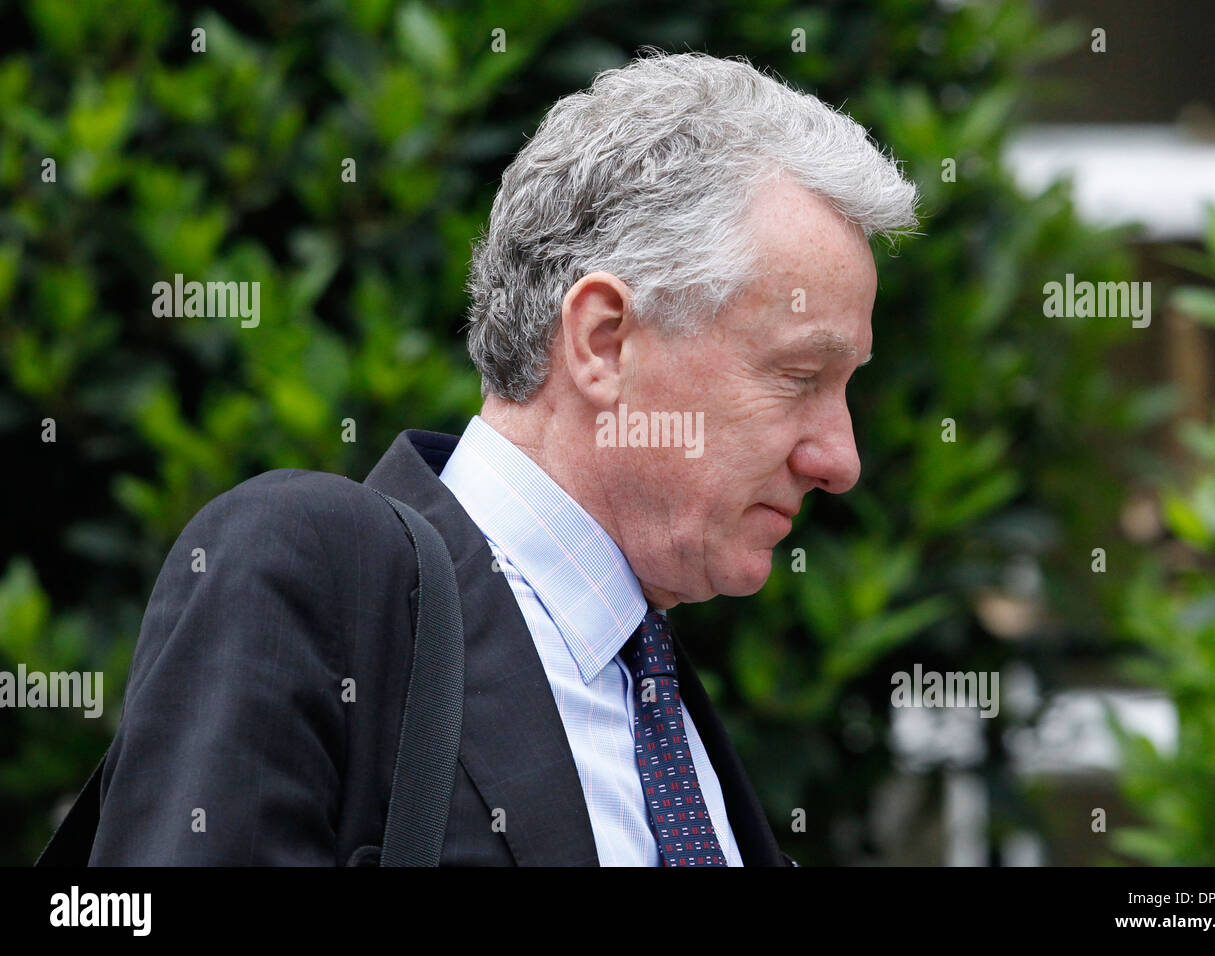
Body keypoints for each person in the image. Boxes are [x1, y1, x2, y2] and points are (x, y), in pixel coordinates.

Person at [87, 48, 917, 866]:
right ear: (603, 342)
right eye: (800, 375)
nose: (839, 458)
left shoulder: (661, 710)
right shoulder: (313, 570)